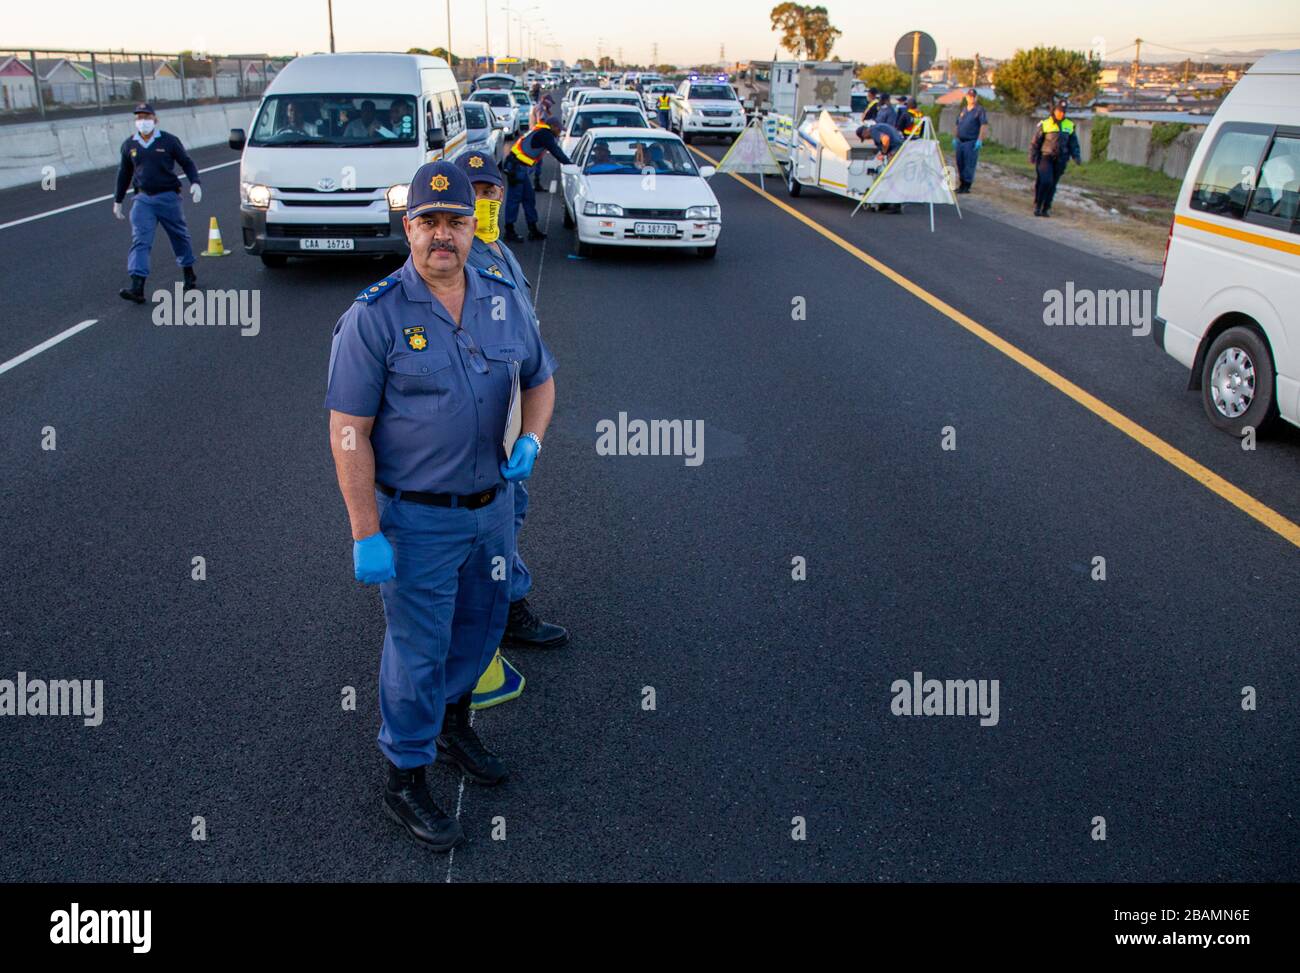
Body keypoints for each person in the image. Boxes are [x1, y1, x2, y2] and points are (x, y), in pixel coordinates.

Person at [325, 160, 557, 852]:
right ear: (409, 229)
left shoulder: (499, 296)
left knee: (479, 631)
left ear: (470, 225)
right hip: (418, 520)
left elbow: (541, 379)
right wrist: (366, 529)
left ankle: (455, 728)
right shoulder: (374, 317)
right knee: (418, 651)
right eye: (428, 221)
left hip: (492, 510)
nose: (442, 235)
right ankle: (405, 773)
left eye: (454, 219)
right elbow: (349, 432)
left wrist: (534, 441)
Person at [453, 150, 572, 710]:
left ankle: (502, 602)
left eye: (491, 191)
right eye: (472, 193)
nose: (485, 201)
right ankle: (496, 614)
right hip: (481, 410)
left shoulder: (499, 248)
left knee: (510, 508)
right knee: (491, 516)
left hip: (513, 403)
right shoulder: (460, 254)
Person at [112, 103, 201, 304]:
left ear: (155, 119)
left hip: (168, 196)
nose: (142, 121)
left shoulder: (169, 141)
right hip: (143, 198)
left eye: (146, 117)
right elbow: (124, 173)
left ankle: (188, 272)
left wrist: (195, 182)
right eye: (139, 117)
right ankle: (137, 286)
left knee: (179, 236)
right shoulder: (129, 145)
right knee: (141, 240)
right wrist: (118, 200)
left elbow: (186, 162)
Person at [501, 113, 572, 242]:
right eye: (559, 129)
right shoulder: (545, 134)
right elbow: (556, 151)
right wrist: (570, 165)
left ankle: (533, 229)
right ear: (553, 126)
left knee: (529, 198)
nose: (559, 131)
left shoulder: (541, 131)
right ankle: (509, 231)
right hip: (516, 168)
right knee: (514, 200)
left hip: (519, 168)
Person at [1028, 99, 1082, 217]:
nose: (1061, 113)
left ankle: (1046, 207)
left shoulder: (1069, 125)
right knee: (1046, 181)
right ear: (1054, 110)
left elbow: (1073, 143)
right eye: (1059, 111)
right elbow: (1036, 141)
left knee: (1053, 184)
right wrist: (1032, 155)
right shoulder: (1046, 123)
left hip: (1061, 159)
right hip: (1046, 156)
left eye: (1063, 111)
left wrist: (1076, 156)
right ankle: (1038, 205)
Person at [953, 88, 989, 194]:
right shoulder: (963, 110)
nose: (971, 98)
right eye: (969, 96)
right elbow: (957, 124)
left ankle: (966, 186)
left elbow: (983, 125)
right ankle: (961, 183)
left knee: (969, 165)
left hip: (971, 141)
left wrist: (980, 140)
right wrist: (955, 138)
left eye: (973, 96)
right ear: (966, 97)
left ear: (976, 97)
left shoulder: (979, 110)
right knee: (960, 163)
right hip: (960, 141)